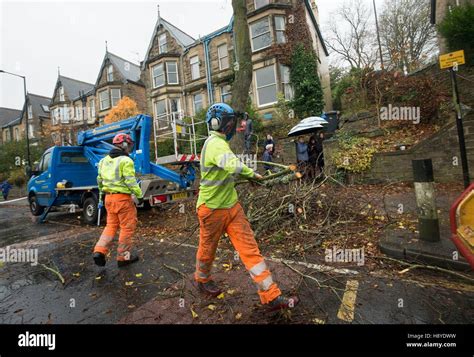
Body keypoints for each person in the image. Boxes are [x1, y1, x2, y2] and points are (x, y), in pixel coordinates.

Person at [195, 102, 299, 311]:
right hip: (212, 209)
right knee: (208, 249)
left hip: (231, 207)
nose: (234, 125)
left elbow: (229, 171)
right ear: (220, 123)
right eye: (231, 121)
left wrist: (248, 177)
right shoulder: (214, 143)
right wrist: (253, 174)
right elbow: (233, 166)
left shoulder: (221, 143)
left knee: (250, 249)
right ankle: (202, 279)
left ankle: (271, 296)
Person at [93, 133, 144, 268]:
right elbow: (131, 181)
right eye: (129, 145)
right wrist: (139, 195)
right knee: (127, 228)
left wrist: (101, 197)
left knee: (111, 226)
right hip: (122, 199)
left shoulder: (103, 161)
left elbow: (99, 181)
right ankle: (123, 257)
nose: (130, 149)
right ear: (125, 145)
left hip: (108, 198)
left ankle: (99, 251)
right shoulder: (126, 161)